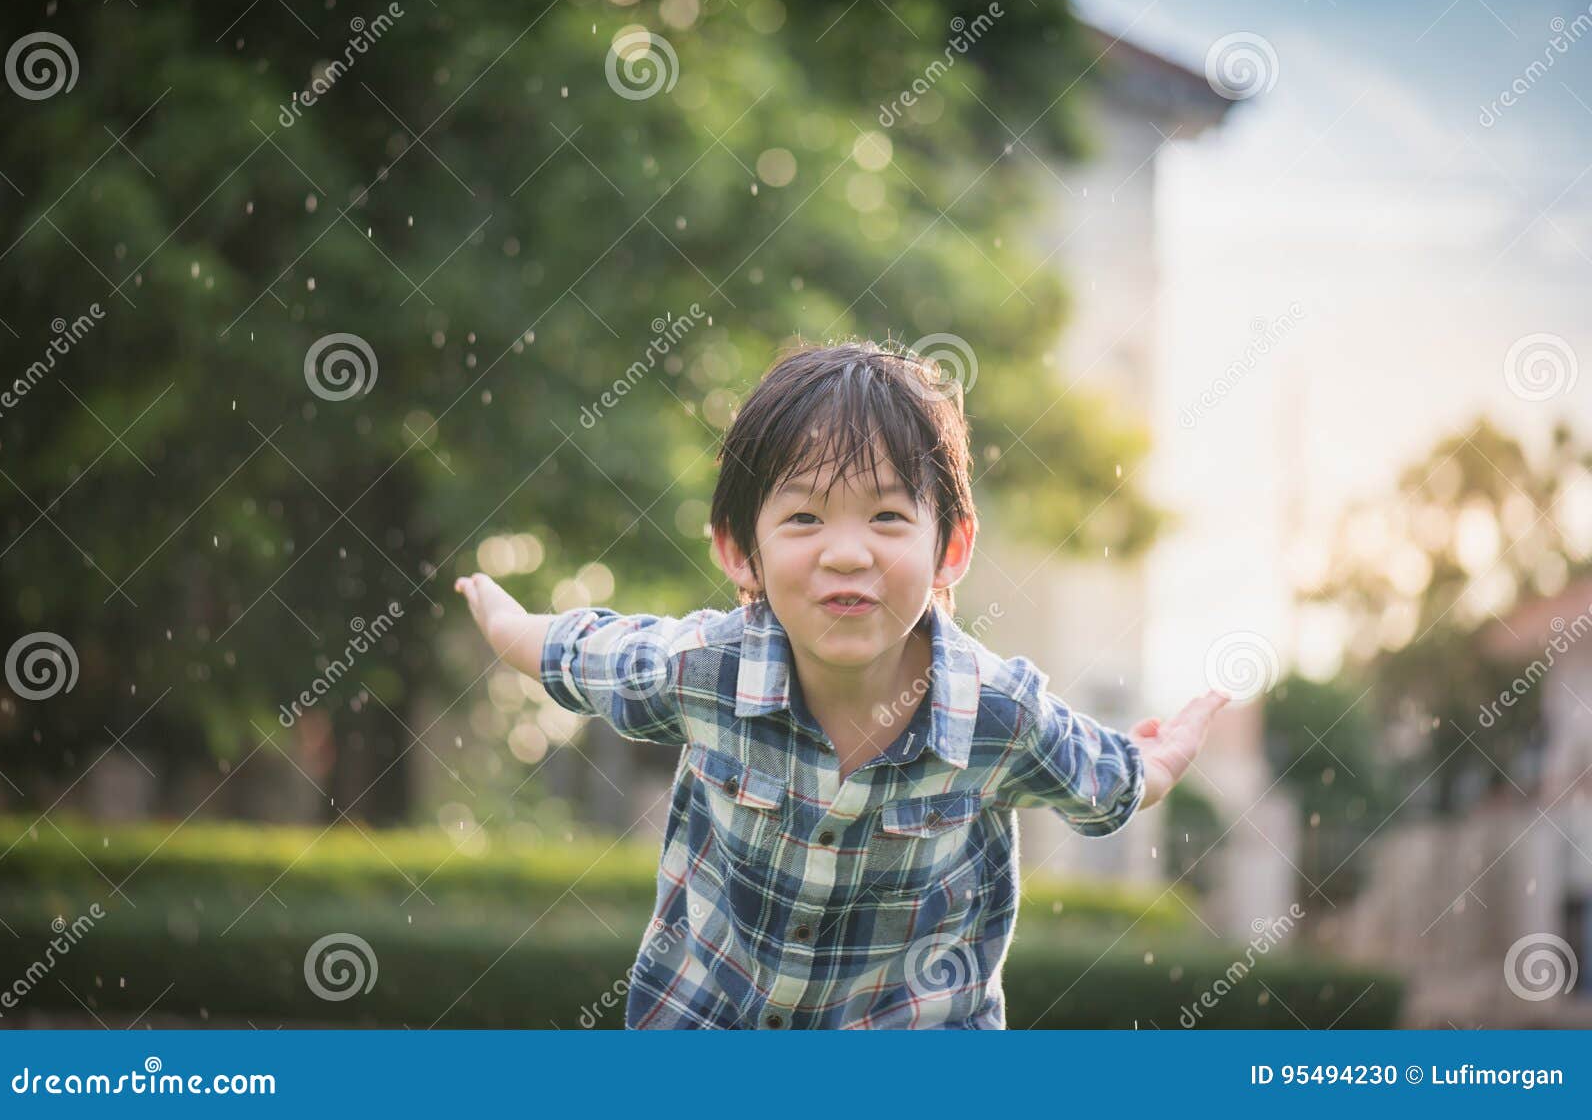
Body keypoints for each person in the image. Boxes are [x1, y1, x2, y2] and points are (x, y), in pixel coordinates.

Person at [455, 340, 1227, 1028]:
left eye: (888, 516)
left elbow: (1102, 781)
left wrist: (1157, 763)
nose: (848, 553)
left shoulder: (997, 713)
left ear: (950, 549)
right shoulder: (705, 671)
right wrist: (508, 627)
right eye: (804, 520)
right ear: (738, 551)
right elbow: (591, 655)